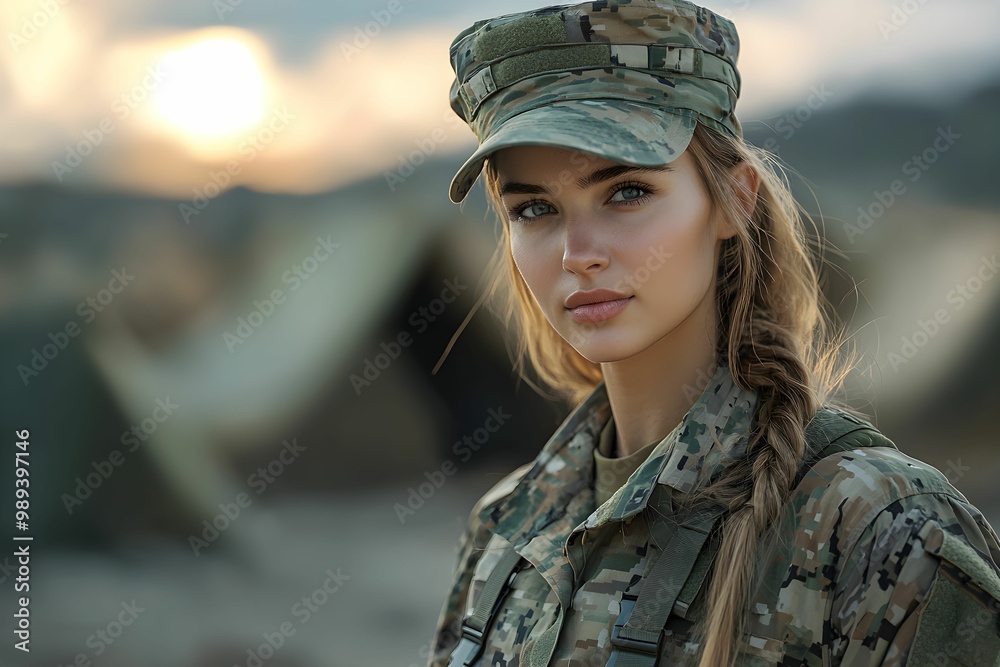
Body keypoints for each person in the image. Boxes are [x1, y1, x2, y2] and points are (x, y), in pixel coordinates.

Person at [426, 1, 1000, 666]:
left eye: (627, 192)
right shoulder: (506, 527)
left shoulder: (875, 524)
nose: (576, 252)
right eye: (533, 208)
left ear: (736, 199)